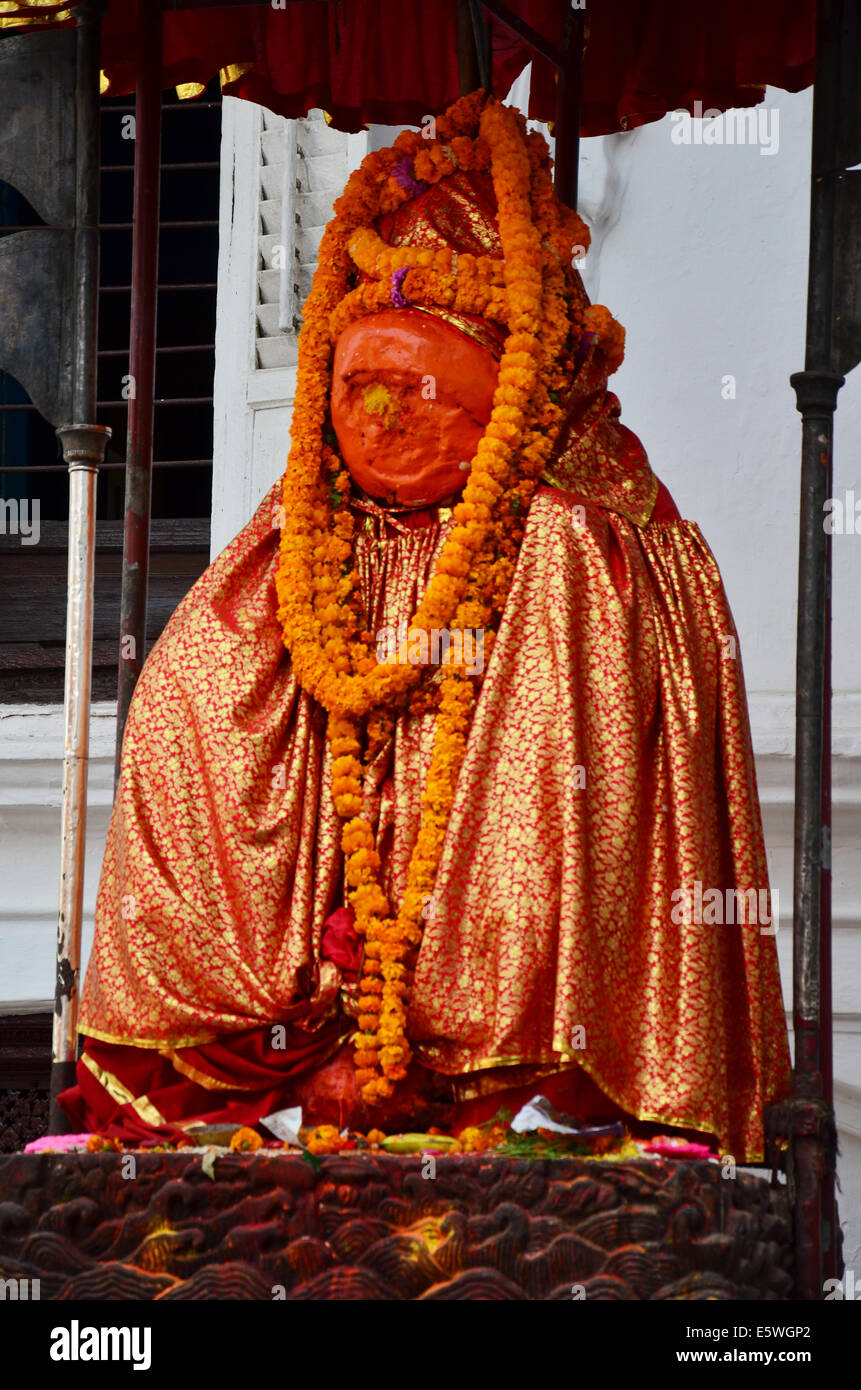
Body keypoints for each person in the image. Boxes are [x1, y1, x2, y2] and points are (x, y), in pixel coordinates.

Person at [59, 91, 790, 1160]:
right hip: (288, 1070)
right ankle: (277, 1074)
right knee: (182, 686)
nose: (387, 412)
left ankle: (505, 1086)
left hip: (528, 1116)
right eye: (361, 381)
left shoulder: (596, 549)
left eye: (416, 380)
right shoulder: (284, 554)